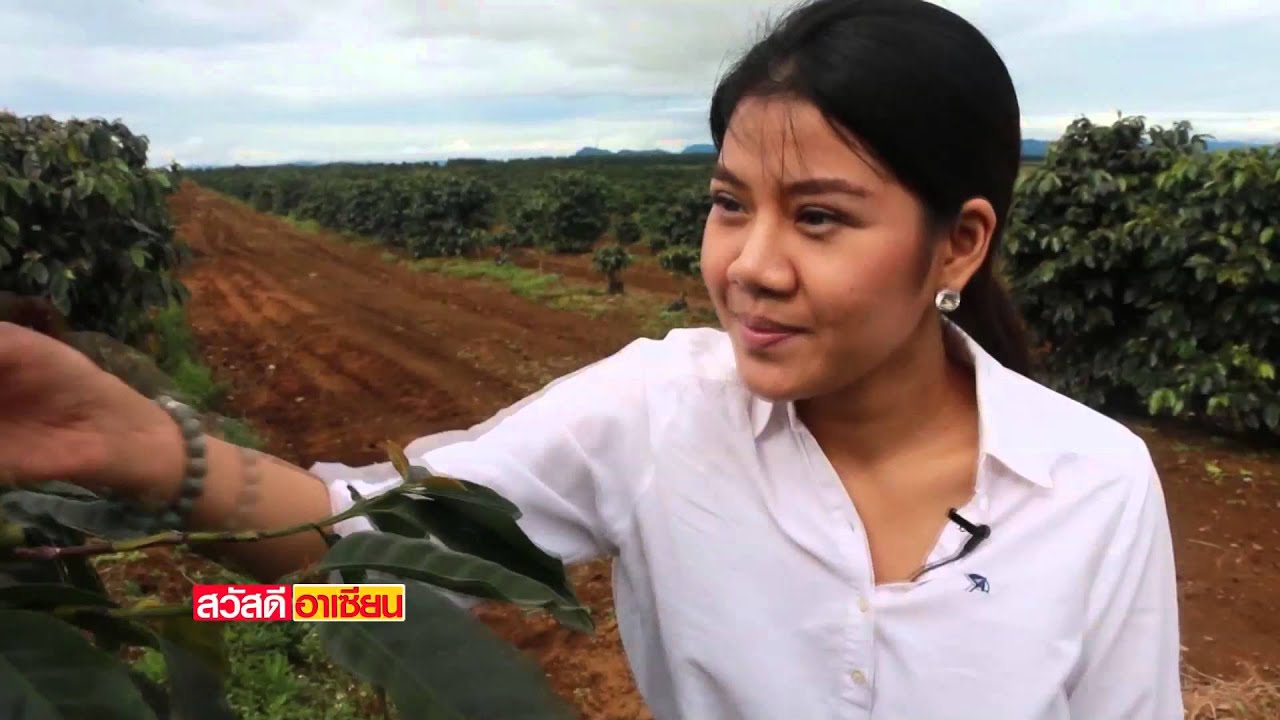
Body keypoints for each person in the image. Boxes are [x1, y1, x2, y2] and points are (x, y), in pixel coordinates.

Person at [0, 0, 1182, 717]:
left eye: (818, 218)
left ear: (957, 241)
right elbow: (373, 546)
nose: (749, 265)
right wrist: (147, 453)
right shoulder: (656, 413)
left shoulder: (1090, 480)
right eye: (729, 206)